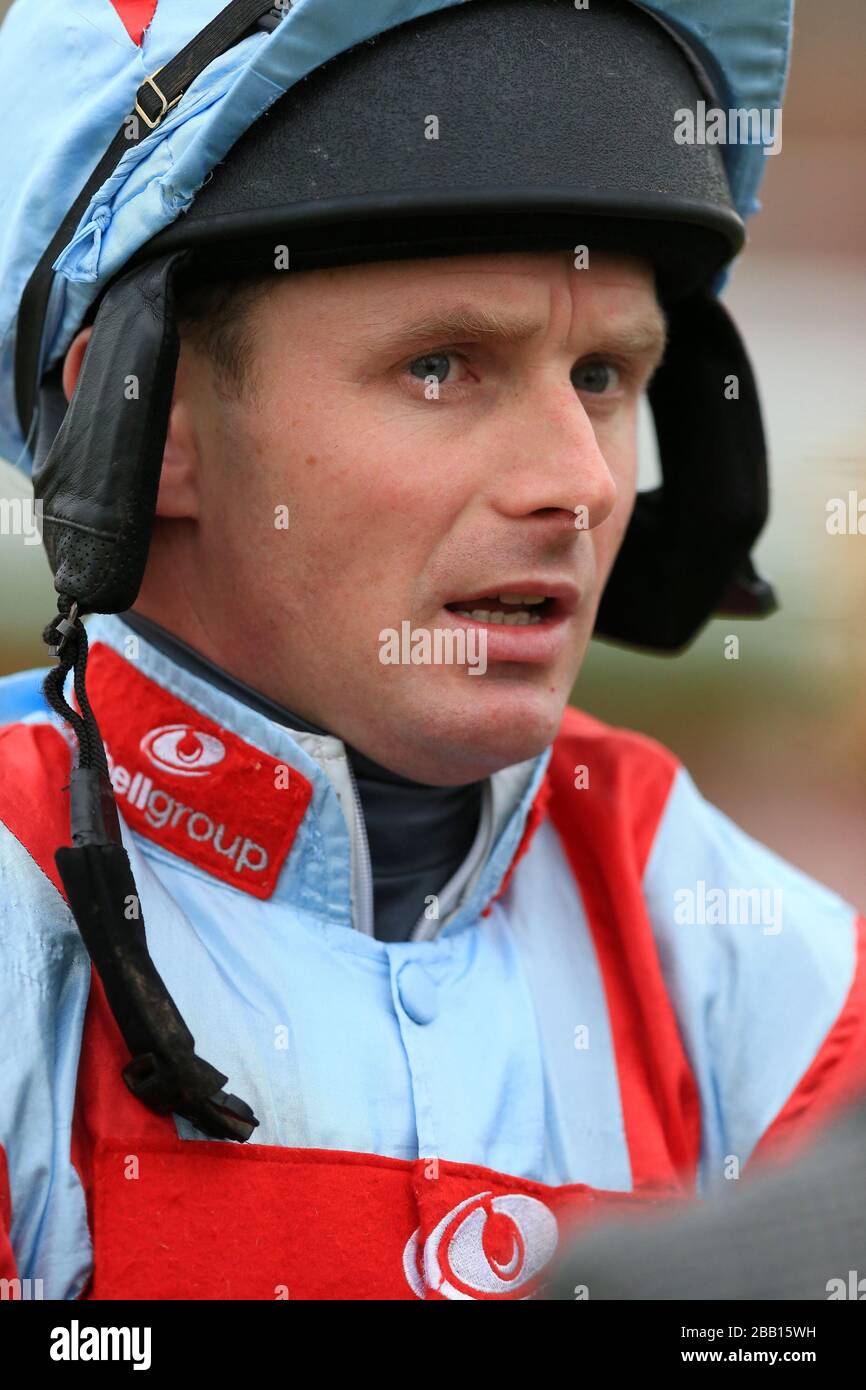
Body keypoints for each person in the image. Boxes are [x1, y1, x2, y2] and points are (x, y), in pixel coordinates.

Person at [0, 0, 863, 1302]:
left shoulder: (756, 955)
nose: (573, 481)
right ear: (149, 426)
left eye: (602, 376)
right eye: (442, 365)